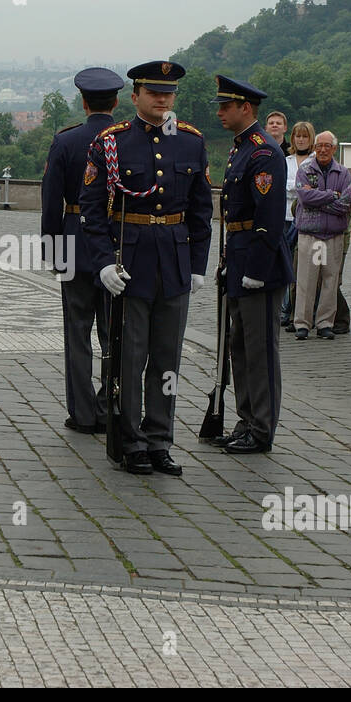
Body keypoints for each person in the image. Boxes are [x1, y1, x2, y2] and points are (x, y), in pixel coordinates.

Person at [79, 60, 212, 476]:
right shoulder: (111, 142)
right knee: (129, 357)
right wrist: (102, 262)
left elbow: (201, 209)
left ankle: (160, 440)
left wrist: (197, 263)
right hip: (129, 261)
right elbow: (91, 208)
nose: (162, 99)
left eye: (168, 93)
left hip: (173, 259)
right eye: (154, 92)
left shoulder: (191, 141)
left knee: (167, 358)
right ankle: (131, 441)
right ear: (134, 96)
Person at [212, 76, 292, 454]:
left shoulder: (264, 151)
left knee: (260, 351)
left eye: (226, 106)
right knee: (240, 347)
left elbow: (270, 217)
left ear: (246, 107)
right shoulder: (242, 148)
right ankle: (246, 421)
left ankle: (262, 429)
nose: (220, 112)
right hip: (241, 256)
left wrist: (257, 271)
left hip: (260, 264)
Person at [40, 67, 122, 434]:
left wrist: (52, 247)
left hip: (73, 242)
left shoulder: (66, 141)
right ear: (117, 102)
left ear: (83, 102)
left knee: (77, 334)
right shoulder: (126, 139)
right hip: (115, 247)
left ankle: (83, 413)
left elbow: (50, 200)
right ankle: (112, 407)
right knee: (114, 334)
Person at [292, 131, 351, 339]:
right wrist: (330, 196)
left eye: (327, 146)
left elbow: (345, 203)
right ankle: (302, 323)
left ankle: (325, 323)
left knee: (330, 280)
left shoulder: (343, 173)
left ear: (334, 149)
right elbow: (304, 197)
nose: (323, 150)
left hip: (332, 236)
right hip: (310, 235)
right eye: (319, 146)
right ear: (315, 148)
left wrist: (318, 201)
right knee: (305, 280)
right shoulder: (305, 169)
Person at [281, 120, 315, 329]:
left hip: (306, 220)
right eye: (297, 136)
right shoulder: (286, 160)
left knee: (303, 267)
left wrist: (297, 189)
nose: (301, 139)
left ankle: (301, 311)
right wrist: (300, 187)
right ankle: (285, 308)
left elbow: (312, 190)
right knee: (285, 265)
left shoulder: (314, 161)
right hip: (285, 218)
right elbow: (282, 186)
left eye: (305, 136)